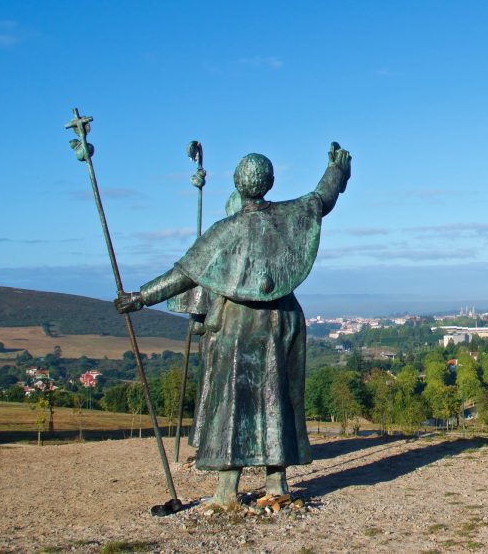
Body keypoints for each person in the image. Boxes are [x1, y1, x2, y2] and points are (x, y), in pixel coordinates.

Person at [115, 143, 351, 506]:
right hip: (282, 318)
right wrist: (337, 169)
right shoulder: (292, 214)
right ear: (270, 182)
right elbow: (322, 198)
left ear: (238, 186)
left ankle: (227, 489)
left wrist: (141, 297)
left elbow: (181, 275)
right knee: (277, 398)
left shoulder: (223, 232)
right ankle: (276, 485)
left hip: (238, 324)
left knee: (233, 402)